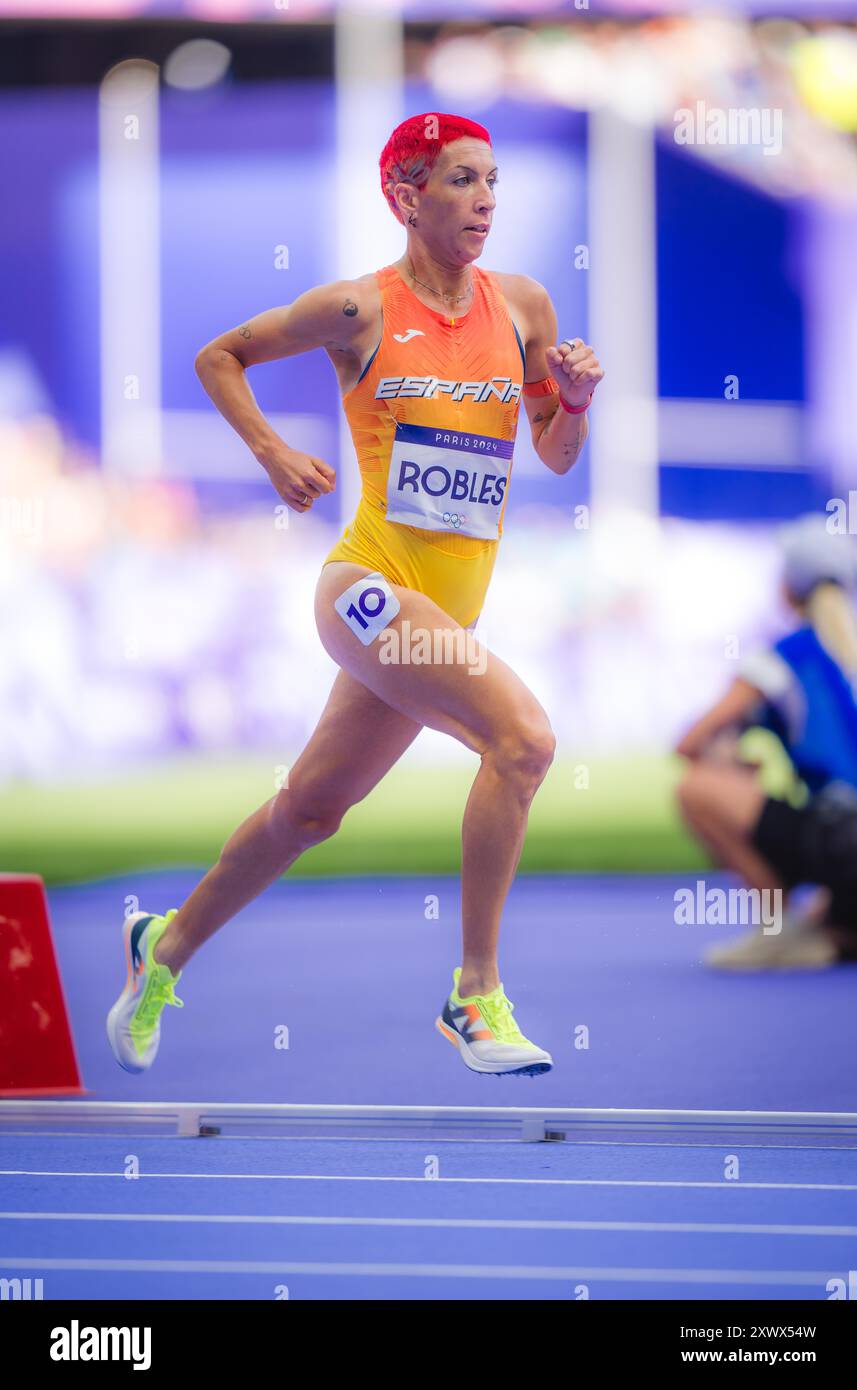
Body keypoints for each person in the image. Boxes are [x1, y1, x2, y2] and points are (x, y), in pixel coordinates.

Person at [107, 111, 603, 1078]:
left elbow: (554, 451)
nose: (486, 201)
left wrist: (575, 403)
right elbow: (219, 356)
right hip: (367, 588)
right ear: (407, 198)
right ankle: (476, 995)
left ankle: (161, 948)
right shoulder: (356, 310)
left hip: (443, 613)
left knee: (310, 810)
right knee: (525, 741)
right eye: (462, 181)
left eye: (492, 181)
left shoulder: (524, 307)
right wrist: (273, 452)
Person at [676, 515, 857, 969]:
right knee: (837, 923)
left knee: (697, 788)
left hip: (844, 838)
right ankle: (843, 924)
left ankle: (779, 928)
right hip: (851, 844)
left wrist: (734, 766)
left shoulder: (787, 655)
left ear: (788, 587)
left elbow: (689, 743)